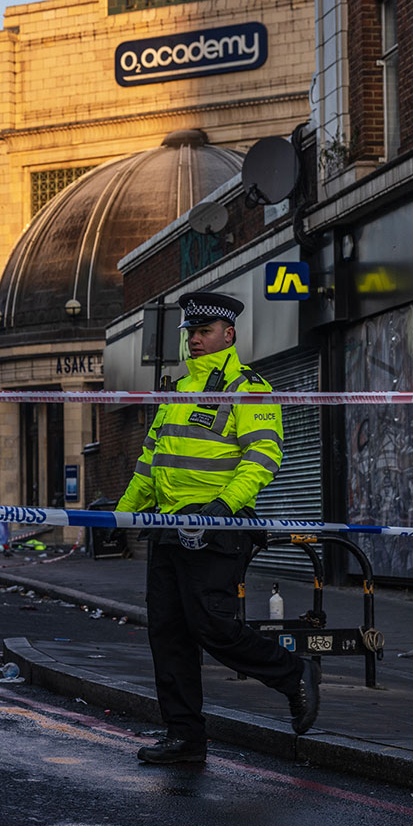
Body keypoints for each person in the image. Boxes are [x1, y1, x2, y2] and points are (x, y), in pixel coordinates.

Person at [114, 290, 320, 764]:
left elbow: (264, 456)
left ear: (229, 334)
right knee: (168, 634)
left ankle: (293, 674)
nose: (196, 340)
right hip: (167, 526)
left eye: (204, 332)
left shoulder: (248, 388)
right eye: (191, 332)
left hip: (218, 524)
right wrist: (121, 514)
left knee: (213, 626)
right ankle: (185, 738)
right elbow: (151, 461)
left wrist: (221, 507)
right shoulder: (179, 394)